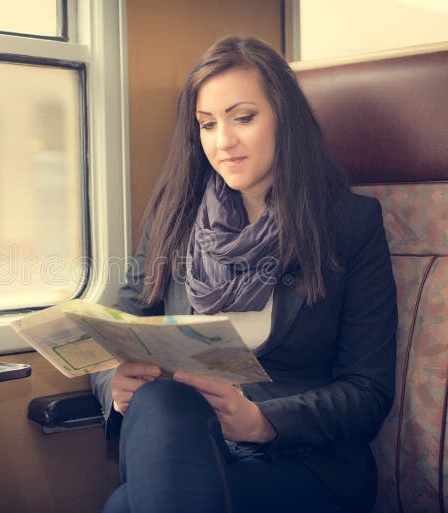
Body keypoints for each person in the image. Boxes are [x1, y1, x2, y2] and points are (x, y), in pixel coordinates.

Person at [91, 35, 397, 513]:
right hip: (191, 445)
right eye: (207, 124)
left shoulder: (349, 224)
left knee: (123, 508)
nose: (222, 142)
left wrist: (261, 421)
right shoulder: (176, 215)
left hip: (301, 461)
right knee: (159, 401)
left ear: (285, 119)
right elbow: (114, 331)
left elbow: (368, 391)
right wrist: (116, 386)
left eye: (243, 118)